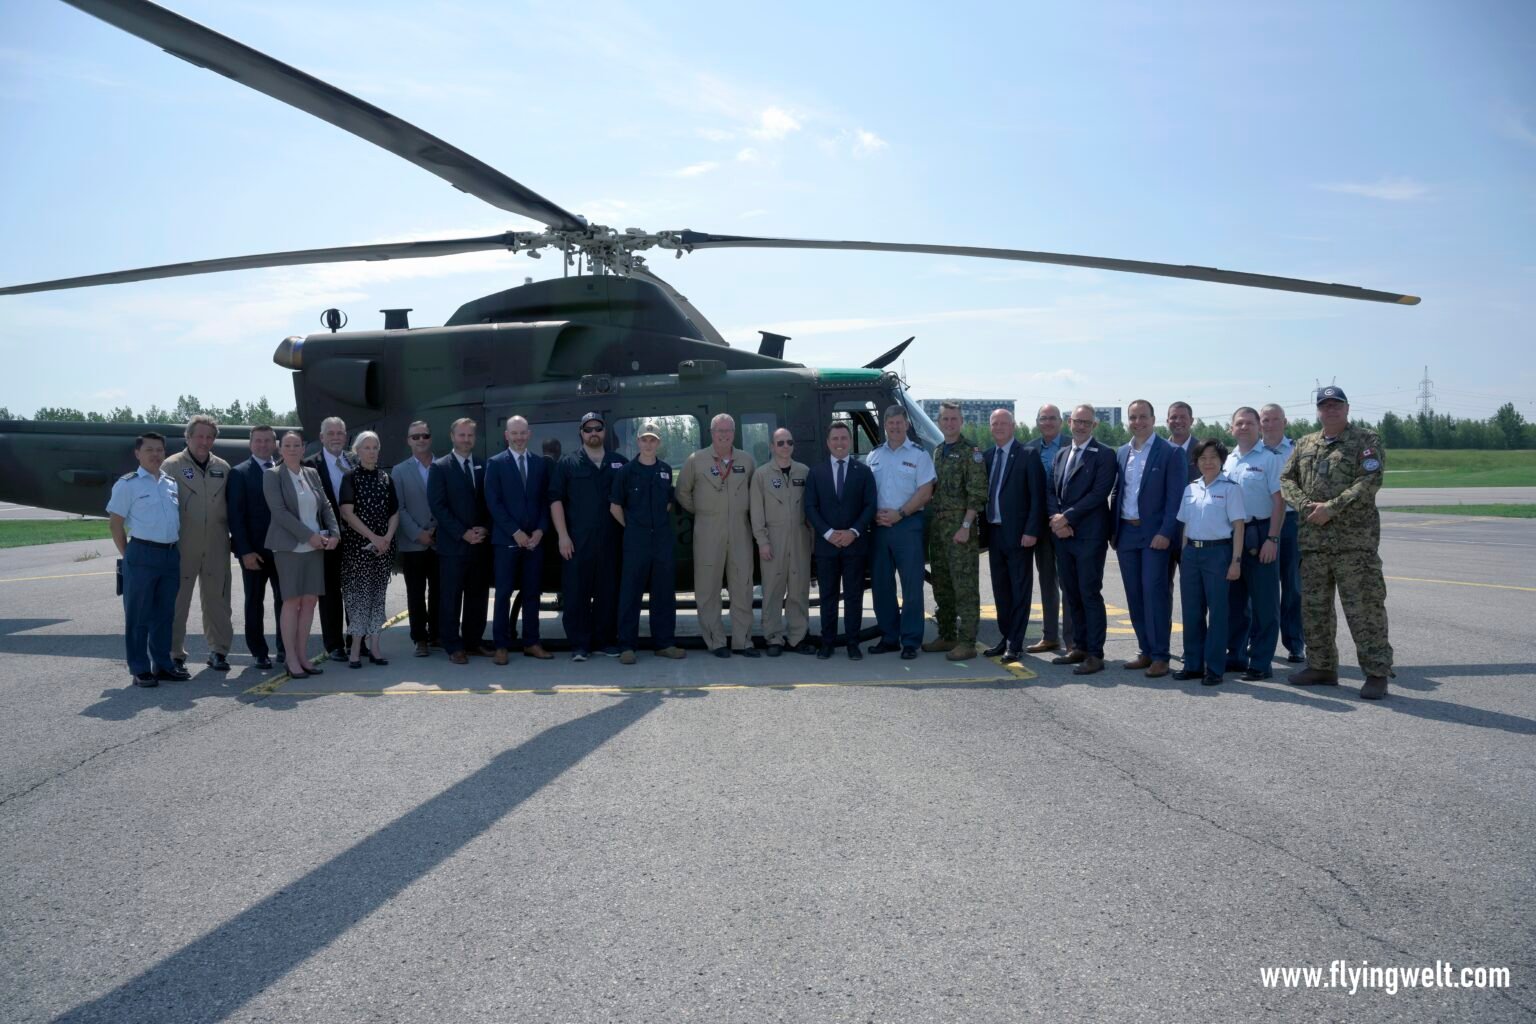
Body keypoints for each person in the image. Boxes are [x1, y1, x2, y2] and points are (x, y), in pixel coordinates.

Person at [1280, 386, 1394, 699]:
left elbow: (1370, 480)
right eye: (1325, 405)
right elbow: (1286, 479)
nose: (1330, 410)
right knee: (1314, 609)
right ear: (1318, 410)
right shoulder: (1305, 443)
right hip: (1314, 543)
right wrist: (1306, 506)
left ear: (1347, 408)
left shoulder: (1366, 440)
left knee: (1364, 609)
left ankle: (1377, 673)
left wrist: (1331, 508)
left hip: (1353, 545)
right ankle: (1322, 667)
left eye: (1336, 405)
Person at [1109, 400, 1184, 678]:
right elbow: (1118, 492)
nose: (1138, 422)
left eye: (1143, 417)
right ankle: (1146, 650)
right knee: (1134, 594)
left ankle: (1161, 656)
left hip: (1155, 535)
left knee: (1154, 593)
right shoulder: (1122, 452)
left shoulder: (1171, 452)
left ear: (1153, 419)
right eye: (1133, 417)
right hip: (1126, 533)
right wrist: (1113, 530)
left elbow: (1176, 498)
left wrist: (1166, 532)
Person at [676, 413, 759, 658]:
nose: (724, 435)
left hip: (740, 529)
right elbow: (682, 493)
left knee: (743, 586)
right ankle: (716, 641)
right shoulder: (696, 460)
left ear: (734, 433)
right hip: (707, 530)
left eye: (728, 430)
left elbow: (755, 493)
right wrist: (705, 511)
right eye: (719, 430)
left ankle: (743, 642)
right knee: (708, 588)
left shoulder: (746, 460)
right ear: (712, 433)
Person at [106, 432, 185, 686]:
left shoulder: (170, 483)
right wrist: (129, 555)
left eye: (159, 450)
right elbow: (115, 524)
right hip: (142, 553)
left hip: (170, 554)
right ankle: (139, 668)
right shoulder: (127, 484)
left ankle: (162, 665)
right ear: (137, 453)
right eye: (149, 449)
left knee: (164, 614)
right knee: (138, 615)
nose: (155, 454)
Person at [550, 412, 627, 661]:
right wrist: (562, 536)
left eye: (598, 428)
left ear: (605, 432)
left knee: (608, 591)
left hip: (611, 540)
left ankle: (605, 641)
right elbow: (555, 500)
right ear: (581, 433)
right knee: (576, 593)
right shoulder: (568, 463)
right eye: (588, 429)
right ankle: (580, 644)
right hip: (577, 541)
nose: (593, 433)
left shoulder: (619, 463)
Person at [263, 430, 340, 678]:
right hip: (290, 547)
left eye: (296, 445)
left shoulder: (311, 473)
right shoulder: (272, 475)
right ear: (280, 449)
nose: (292, 449)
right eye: (287, 445)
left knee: (310, 601)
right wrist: (309, 536)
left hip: (315, 546)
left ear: (303, 448)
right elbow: (279, 512)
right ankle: (291, 658)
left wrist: (335, 533)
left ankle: (303, 655)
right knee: (292, 601)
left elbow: (326, 505)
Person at [161, 414, 233, 673]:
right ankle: (173, 654)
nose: (204, 441)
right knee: (176, 601)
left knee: (218, 601)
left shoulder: (223, 467)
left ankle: (219, 651)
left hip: (216, 543)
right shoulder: (171, 466)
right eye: (199, 436)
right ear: (188, 437)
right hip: (182, 543)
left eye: (209, 437)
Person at [609, 421, 686, 663]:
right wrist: (633, 527)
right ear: (638, 442)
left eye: (653, 440)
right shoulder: (626, 471)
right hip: (636, 540)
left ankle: (664, 643)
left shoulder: (665, 470)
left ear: (658, 443)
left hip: (661, 539)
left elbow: (668, 503)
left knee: (663, 593)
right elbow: (615, 506)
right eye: (644, 439)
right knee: (630, 593)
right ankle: (627, 646)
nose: (648, 444)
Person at [1047, 404, 1116, 675]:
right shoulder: (1062, 454)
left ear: (1094, 425)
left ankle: (1095, 653)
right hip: (1063, 535)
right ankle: (1079, 645)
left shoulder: (1105, 454)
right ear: (1069, 422)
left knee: (1089, 592)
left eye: (1087, 422)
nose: (1081, 426)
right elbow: (1051, 491)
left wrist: (1067, 518)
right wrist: (1056, 520)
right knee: (1071, 592)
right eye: (1077, 421)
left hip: (1089, 535)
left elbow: (1099, 493)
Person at [864, 404, 936, 659]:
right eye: (890, 423)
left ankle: (910, 641)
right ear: (885, 425)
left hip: (907, 524)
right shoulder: (874, 456)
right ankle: (889, 637)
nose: (895, 427)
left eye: (899, 423)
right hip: (880, 527)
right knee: (882, 586)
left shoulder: (919, 455)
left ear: (906, 425)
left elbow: (925, 492)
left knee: (911, 586)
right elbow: (867, 491)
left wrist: (901, 513)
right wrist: (873, 514)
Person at [1173, 439, 1246, 686]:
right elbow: (1185, 525)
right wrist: (1184, 553)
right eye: (1202, 458)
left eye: (1213, 457)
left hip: (1218, 554)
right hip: (1192, 554)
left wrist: (1236, 561)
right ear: (1196, 462)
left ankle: (1214, 668)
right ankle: (1193, 664)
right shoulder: (1190, 489)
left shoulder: (1230, 489)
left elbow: (1238, 526)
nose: (1208, 462)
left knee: (1218, 613)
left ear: (1222, 460)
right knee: (1191, 611)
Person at [804, 421, 877, 659]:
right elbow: (810, 507)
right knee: (828, 596)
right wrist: (828, 533)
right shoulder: (816, 473)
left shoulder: (863, 472)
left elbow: (870, 505)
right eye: (835, 439)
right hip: (826, 546)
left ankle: (853, 643)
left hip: (854, 545)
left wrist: (853, 532)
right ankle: (827, 642)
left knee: (854, 596)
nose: (839, 443)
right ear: (828, 443)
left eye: (843, 438)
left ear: (850, 441)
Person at [1222, 407, 1285, 681]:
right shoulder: (1228, 460)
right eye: (1239, 423)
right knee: (1235, 603)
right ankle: (1236, 656)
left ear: (1259, 427)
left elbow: (1279, 503)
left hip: (1260, 533)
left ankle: (1260, 662)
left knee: (1264, 603)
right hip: (1232, 536)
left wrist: (1272, 538)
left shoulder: (1270, 459)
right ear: (1231, 428)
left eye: (1249, 423)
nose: (1244, 427)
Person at [923, 402, 988, 661]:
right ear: (939, 422)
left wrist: (966, 526)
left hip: (960, 529)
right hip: (939, 529)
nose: (949, 423)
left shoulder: (971, 452)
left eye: (953, 419)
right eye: (945, 419)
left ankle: (968, 642)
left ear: (961, 421)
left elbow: (977, 493)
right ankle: (947, 634)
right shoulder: (939, 451)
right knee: (942, 585)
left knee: (965, 587)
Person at [485, 415, 553, 664]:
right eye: (514, 433)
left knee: (532, 592)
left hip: (534, 541)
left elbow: (546, 501)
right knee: (503, 593)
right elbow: (493, 502)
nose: (519, 437)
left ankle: (532, 642)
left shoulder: (539, 464)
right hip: (507, 541)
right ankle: (501, 646)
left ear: (529, 434)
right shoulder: (496, 463)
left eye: (523, 433)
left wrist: (540, 530)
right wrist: (515, 532)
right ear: (506, 436)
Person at [981, 408, 1046, 662]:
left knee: (1019, 590)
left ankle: (1015, 643)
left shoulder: (1028, 455)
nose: (999, 427)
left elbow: (1037, 497)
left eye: (1003, 423)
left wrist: (1031, 531)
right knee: (1000, 590)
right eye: (994, 423)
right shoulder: (987, 456)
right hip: (994, 532)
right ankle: (1005, 636)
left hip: (1019, 535)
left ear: (1013, 426)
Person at [428, 417, 495, 665]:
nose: (466, 439)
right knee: (451, 597)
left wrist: (485, 528)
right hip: (453, 545)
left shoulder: (483, 465)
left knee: (478, 595)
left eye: (470, 435)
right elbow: (438, 506)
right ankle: (453, 645)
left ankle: (473, 641)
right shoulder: (440, 467)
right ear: (452, 436)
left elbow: (491, 501)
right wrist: (462, 532)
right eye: (462, 435)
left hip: (480, 544)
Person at [750, 427, 815, 656]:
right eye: (780, 443)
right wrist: (762, 541)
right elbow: (756, 512)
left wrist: (813, 541)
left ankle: (797, 637)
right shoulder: (761, 475)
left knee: (799, 590)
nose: (785, 446)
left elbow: (811, 509)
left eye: (789, 442)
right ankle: (773, 638)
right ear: (772, 446)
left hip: (799, 537)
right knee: (772, 590)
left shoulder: (804, 472)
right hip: (773, 538)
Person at [338, 431, 399, 669]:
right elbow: (347, 513)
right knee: (359, 599)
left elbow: (394, 512)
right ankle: (355, 649)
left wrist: (386, 539)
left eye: (375, 447)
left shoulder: (386, 478)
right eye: (367, 447)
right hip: (358, 550)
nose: (371, 452)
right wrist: (373, 537)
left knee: (378, 598)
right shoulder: (350, 478)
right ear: (357, 451)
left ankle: (375, 646)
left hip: (382, 549)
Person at [227, 424, 283, 670]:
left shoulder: (284, 470)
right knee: (254, 601)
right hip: (254, 552)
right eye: (258, 440)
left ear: (275, 444)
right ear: (250, 444)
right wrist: (245, 551)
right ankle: (259, 651)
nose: (263, 445)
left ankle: (285, 647)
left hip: (283, 551)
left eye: (268, 440)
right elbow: (235, 516)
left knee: (285, 601)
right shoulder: (239, 473)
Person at [303, 416, 355, 660]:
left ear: (345, 436)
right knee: (331, 593)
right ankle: (334, 645)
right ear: (322, 437)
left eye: (340, 433)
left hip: (356, 538)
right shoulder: (310, 465)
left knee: (355, 591)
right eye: (331, 433)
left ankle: (357, 640)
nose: (336, 437)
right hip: (328, 539)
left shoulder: (355, 461)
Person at [1021, 404, 1072, 653]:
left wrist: (1067, 519)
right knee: (1046, 581)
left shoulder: (1073, 445)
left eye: (1053, 418)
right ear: (1037, 422)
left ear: (1061, 422)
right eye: (1043, 418)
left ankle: (1073, 640)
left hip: (1067, 524)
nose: (1048, 422)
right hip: (1040, 525)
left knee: (1068, 583)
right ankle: (1050, 635)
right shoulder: (1029, 449)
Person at [1259, 403, 1304, 663]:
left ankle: (1295, 643)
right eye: (1265, 420)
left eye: (1275, 419)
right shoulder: (1251, 450)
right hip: (1260, 523)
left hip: (1290, 523)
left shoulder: (1298, 450)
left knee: (1292, 586)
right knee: (1259, 589)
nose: (1270, 424)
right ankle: (1257, 641)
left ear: (1285, 422)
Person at [393, 421, 440, 658]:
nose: (421, 439)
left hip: (441, 541)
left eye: (425, 435)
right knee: (416, 592)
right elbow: (399, 508)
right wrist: (418, 533)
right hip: (413, 543)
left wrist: (437, 531)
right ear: (408, 441)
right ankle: (420, 638)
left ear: (430, 438)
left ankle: (438, 634)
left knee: (440, 591)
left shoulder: (444, 465)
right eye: (415, 437)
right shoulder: (399, 471)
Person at [1165, 400, 1200, 599]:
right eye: (1173, 417)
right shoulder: (1158, 450)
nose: (1178, 421)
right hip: (1163, 531)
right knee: (1161, 590)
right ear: (1167, 421)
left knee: (1193, 591)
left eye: (1183, 417)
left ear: (1192, 420)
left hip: (1194, 531)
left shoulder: (1204, 451)